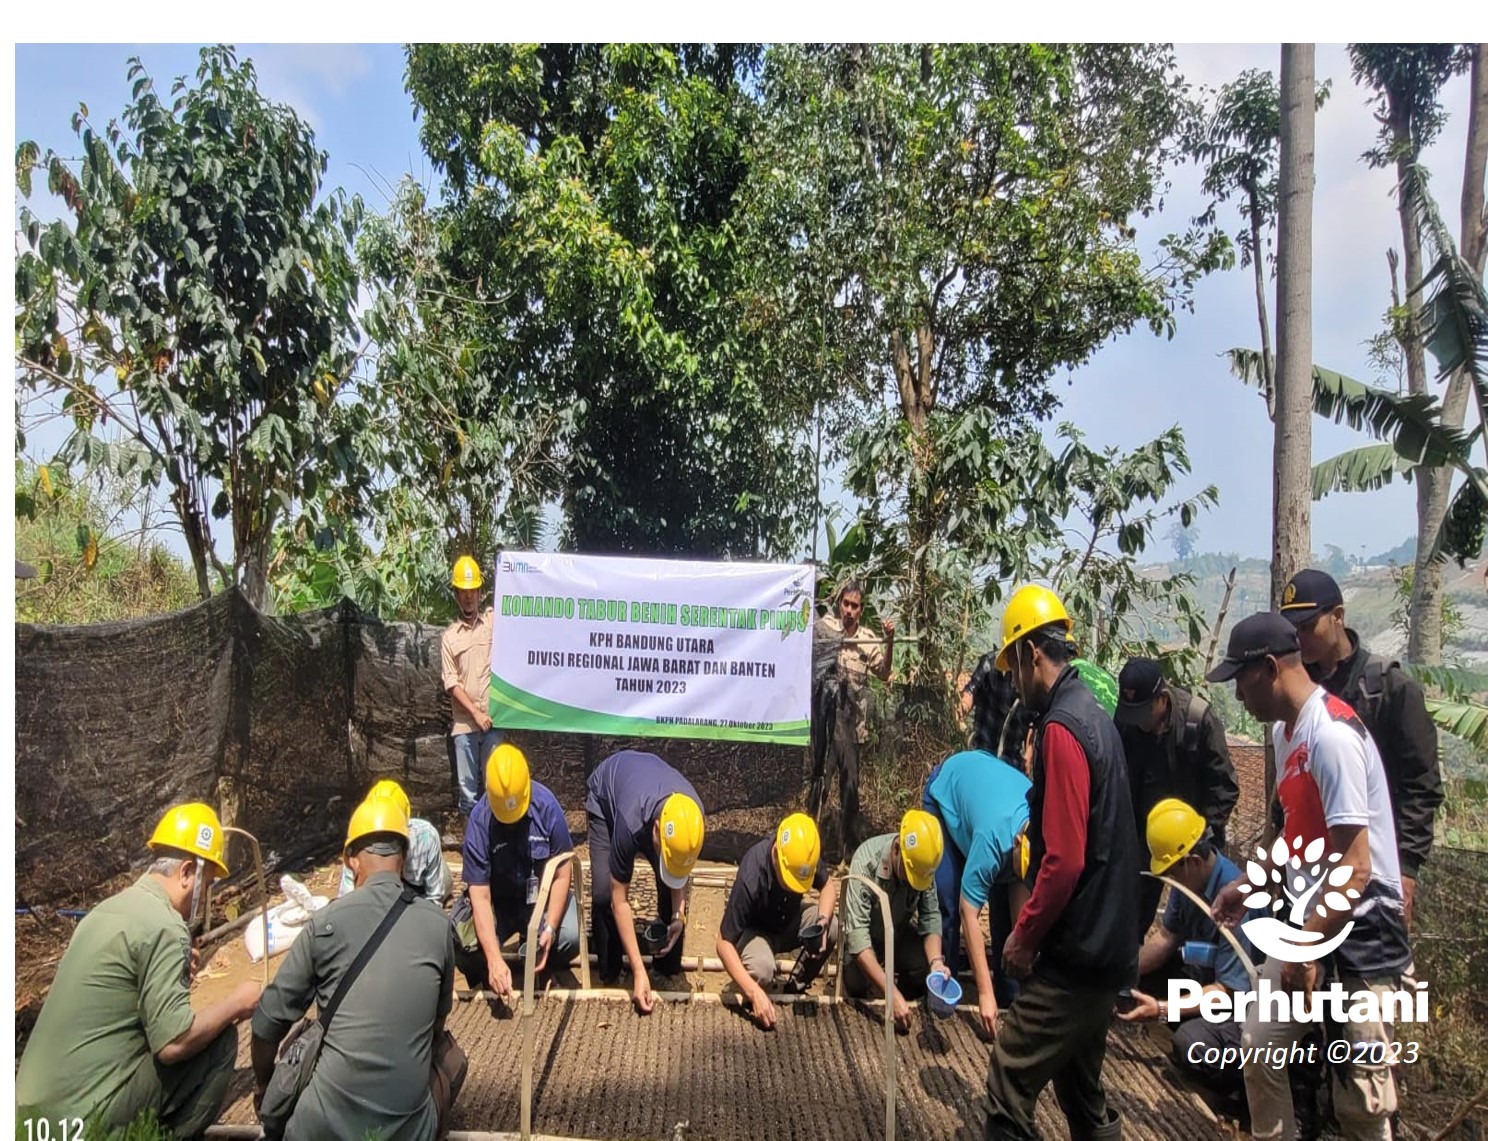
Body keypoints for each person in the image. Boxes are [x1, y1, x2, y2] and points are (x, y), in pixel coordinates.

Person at [1207, 612, 1411, 1141]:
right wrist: (1247, 883)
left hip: (1362, 929)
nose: (1238, 697)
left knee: (1361, 1101)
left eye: (1241, 681)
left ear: (1270, 669)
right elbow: (1295, 834)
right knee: (1260, 1041)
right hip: (1316, 921)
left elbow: (1356, 865)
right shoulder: (1286, 733)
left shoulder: (1333, 738)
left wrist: (1304, 951)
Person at [986, 584, 1139, 1141]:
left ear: (1030, 654)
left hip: (1080, 953)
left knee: (1009, 1072)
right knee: (1081, 1093)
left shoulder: (1061, 729)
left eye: (1013, 667)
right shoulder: (1094, 716)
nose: (1012, 681)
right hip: (1108, 946)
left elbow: (1067, 859)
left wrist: (1024, 936)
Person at [16, 803, 262, 1136]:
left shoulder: (104, 912)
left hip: (27, 1116)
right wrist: (237, 1003)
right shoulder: (165, 925)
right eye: (206, 884)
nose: (204, 897)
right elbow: (173, 1044)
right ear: (187, 872)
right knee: (221, 1041)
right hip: (81, 1124)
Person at [252, 796, 460, 1141]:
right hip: (407, 1132)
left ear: (351, 862)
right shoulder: (438, 925)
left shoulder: (324, 924)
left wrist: (263, 1084)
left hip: (317, 1131)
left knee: (302, 1039)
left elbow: (266, 1023)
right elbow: (436, 1025)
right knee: (450, 1059)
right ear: (404, 858)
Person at [1280, 568, 1442, 930]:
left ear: (1338, 616)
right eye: (1294, 630)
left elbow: (1421, 786)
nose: (1300, 637)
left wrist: (1407, 869)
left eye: (1308, 626)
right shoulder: (1299, 695)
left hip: (1373, 873)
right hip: (1311, 875)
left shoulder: (1390, 689)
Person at [1117, 798, 1261, 1128]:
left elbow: (1225, 992)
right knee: (1136, 979)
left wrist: (1162, 1009)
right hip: (1201, 982)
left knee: (1191, 1044)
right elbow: (1165, 939)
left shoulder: (1240, 901)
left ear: (1191, 861)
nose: (1169, 882)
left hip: (1242, 1011)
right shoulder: (1189, 883)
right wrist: (1119, 971)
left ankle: (1238, 1092)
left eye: (1170, 872)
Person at [1114, 657, 1238, 937]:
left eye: (1144, 712)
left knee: (1204, 916)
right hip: (1145, 836)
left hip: (1193, 841)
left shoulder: (1198, 719)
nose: (1139, 722)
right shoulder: (1127, 723)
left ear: (1163, 698)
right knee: (1130, 915)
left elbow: (1225, 787)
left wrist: (1202, 834)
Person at [450, 743, 580, 996]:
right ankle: (488, 977)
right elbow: (480, 897)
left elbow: (563, 872)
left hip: (538, 904)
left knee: (570, 935)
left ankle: (546, 964)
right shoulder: (479, 822)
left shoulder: (547, 806)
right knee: (459, 940)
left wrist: (550, 927)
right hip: (499, 906)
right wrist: (493, 958)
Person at [921, 749, 1033, 1038]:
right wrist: (984, 993)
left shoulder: (1040, 824)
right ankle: (944, 990)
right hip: (948, 794)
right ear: (1018, 842)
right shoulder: (991, 839)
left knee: (1007, 925)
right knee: (949, 898)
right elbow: (968, 912)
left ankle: (1009, 997)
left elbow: (1021, 914)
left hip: (988, 804)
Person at [584, 749, 706, 1014]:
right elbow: (620, 901)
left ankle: (665, 968)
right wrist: (638, 970)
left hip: (648, 790)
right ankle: (611, 972)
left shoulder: (692, 821)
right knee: (604, 893)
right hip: (607, 798)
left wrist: (678, 915)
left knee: (668, 882)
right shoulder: (630, 822)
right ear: (656, 831)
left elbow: (679, 872)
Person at [716, 813, 841, 1030]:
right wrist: (755, 994)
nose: (794, 887)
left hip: (789, 922)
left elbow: (828, 887)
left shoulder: (803, 854)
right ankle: (754, 990)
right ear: (776, 854)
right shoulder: (751, 875)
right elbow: (723, 943)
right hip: (757, 932)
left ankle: (795, 986)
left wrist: (822, 921)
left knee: (832, 927)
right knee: (763, 969)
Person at [841, 809, 948, 1035]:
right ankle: (883, 994)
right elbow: (858, 938)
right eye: (910, 874)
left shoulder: (922, 865)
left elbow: (930, 917)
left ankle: (906, 1003)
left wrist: (936, 963)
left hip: (897, 935)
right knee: (856, 984)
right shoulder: (865, 863)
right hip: (866, 942)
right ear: (897, 849)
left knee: (923, 967)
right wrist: (890, 992)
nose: (913, 881)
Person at [808, 580, 895, 854]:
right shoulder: (825, 630)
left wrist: (889, 640)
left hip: (853, 729)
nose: (848, 610)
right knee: (819, 784)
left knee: (850, 792)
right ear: (840, 604)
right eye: (845, 604)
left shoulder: (867, 640)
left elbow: (883, 673)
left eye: (854, 606)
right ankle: (808, 844)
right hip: (825, 727)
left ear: (860, 610)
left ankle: (847, 854)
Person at [442, 555, 503, 815]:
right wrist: (475, 714)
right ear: (456, 594)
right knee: (468, 795)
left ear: (480, 592)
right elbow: (451, 682)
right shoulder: (449, 638)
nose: (469, 597)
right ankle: (473, 851)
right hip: (465, 727)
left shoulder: (492, 622)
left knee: (495, 790)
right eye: (463, 592)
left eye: (473, 591)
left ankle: (494, 849)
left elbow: (520, 614)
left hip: (493, 723)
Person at [337, 779, 452, 905]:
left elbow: (435, 896)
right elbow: (346, 900)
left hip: (420, 890)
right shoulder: (358, 841)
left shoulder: (426, 836)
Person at [962, 650, 1037, 764]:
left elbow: (1031, 720)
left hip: (1010, 761)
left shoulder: (1031, 676)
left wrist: (1028, 754)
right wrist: (962, 709)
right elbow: (971, 690)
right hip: (982, 753)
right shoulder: (990, 664)